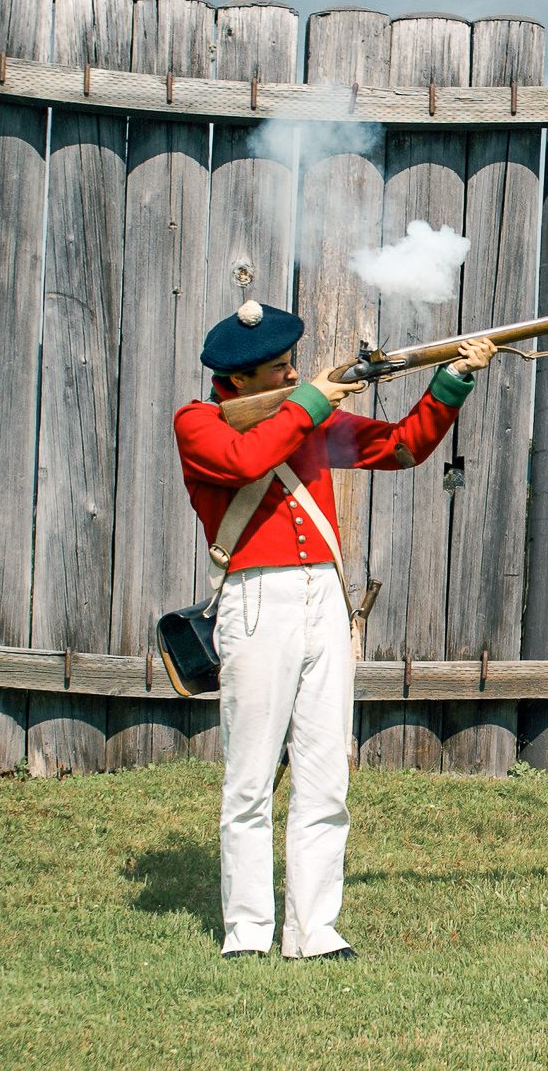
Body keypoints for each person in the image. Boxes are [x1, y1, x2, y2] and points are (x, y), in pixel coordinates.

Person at [173, 300, 496, 959]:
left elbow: (402, 447)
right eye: (277, 371)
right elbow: (243, 461)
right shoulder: (200, 422)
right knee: (249, 779)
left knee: (325, 776)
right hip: (256, 600)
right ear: (235, 381)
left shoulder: (302, 415)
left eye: (294, 365)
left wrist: (453, 381)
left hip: (325, 594)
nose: (292, 376)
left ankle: (313, 930)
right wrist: (313, 402)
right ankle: (246, 932)